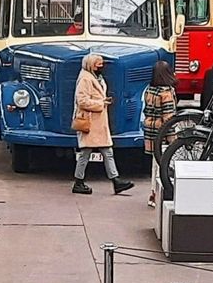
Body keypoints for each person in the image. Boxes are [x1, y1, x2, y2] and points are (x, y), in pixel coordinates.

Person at [72, 52, 134, 195]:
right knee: (86, 153)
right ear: (91, 65)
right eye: (98, 63)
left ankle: (115, 181)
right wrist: (101, 103)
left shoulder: (95, 77)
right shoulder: (86, 79)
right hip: (90, 122)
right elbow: (81, 101)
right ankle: (79, 182)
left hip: (97, 123)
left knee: (105, 152)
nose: (101, 66)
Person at [141, 58, 178, 207]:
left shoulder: (149, 90)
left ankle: (152, 194)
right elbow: (169, 118)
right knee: (164, 164)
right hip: (162, 132)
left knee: (154, 165)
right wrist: (173, 139)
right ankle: (161, 195)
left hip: (150, 129)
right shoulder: (167, 93)